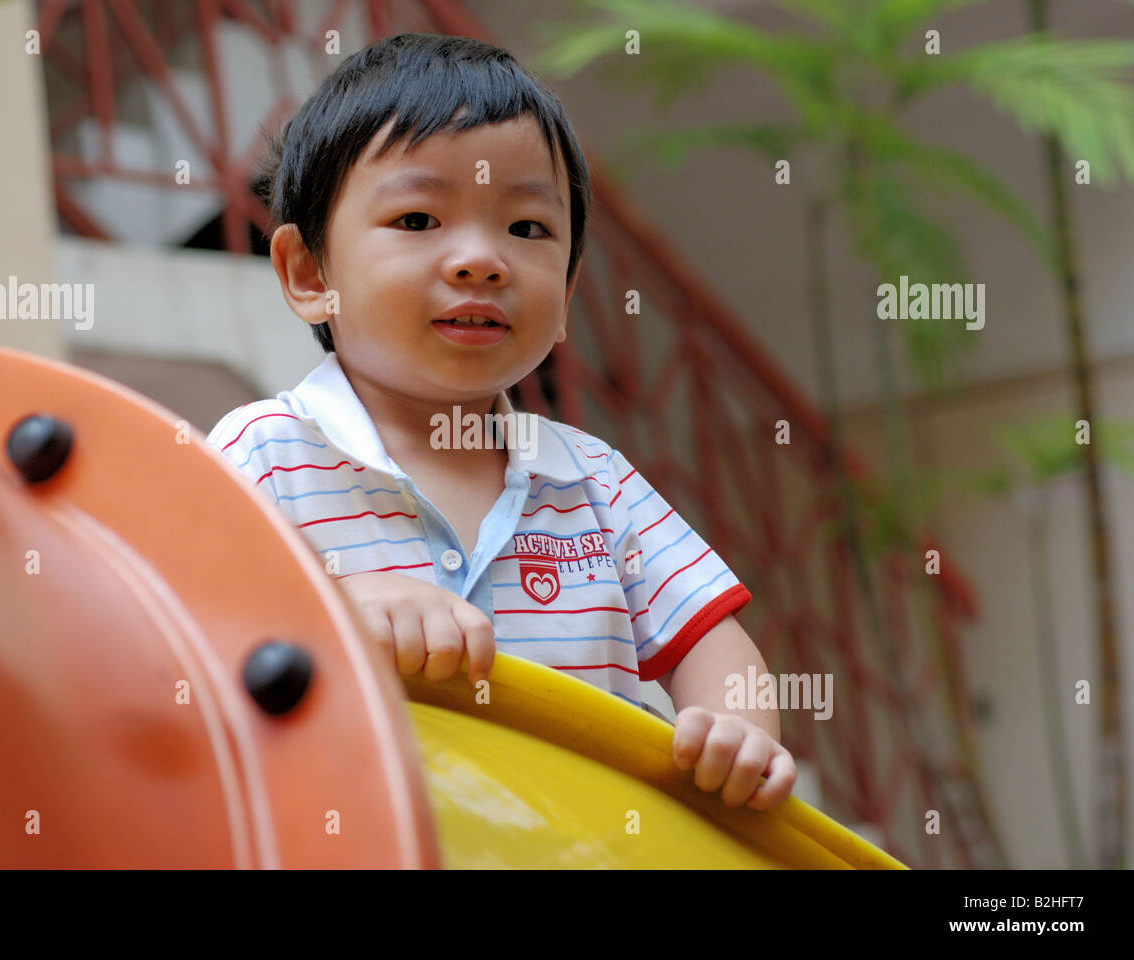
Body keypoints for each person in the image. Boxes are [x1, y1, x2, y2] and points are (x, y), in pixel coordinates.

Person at [208, 33, 795, 810]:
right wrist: (334, 609)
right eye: (418, 219)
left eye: (527, 229)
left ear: (569, 283)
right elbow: (187, 635)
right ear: (311, 274)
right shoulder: (262, 455)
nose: (481, 260)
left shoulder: (596, 481)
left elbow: (712, 643)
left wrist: (737, 731)